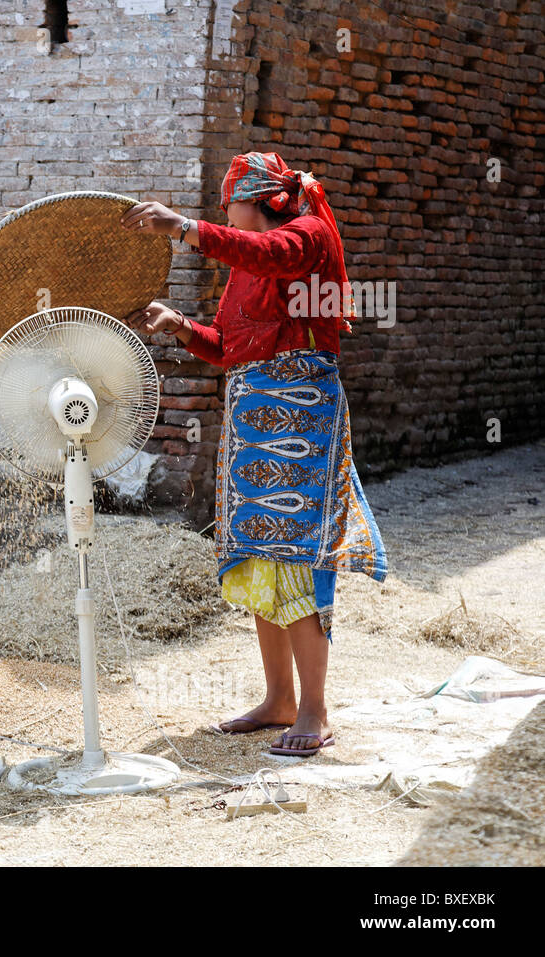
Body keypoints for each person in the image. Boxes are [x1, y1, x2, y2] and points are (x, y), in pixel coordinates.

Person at [120, 152, 387, 756]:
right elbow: (230, 346)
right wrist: (182, 327)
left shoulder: (307, 238)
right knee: (258, 556)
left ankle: (314, 712)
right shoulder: (243, 266)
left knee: (295, 555)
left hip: (303, 417)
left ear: (262, 199)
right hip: (250, 425)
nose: (226, 217)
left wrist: (183, 227)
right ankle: (279, 700)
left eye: (230, 206)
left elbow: (268, 253)